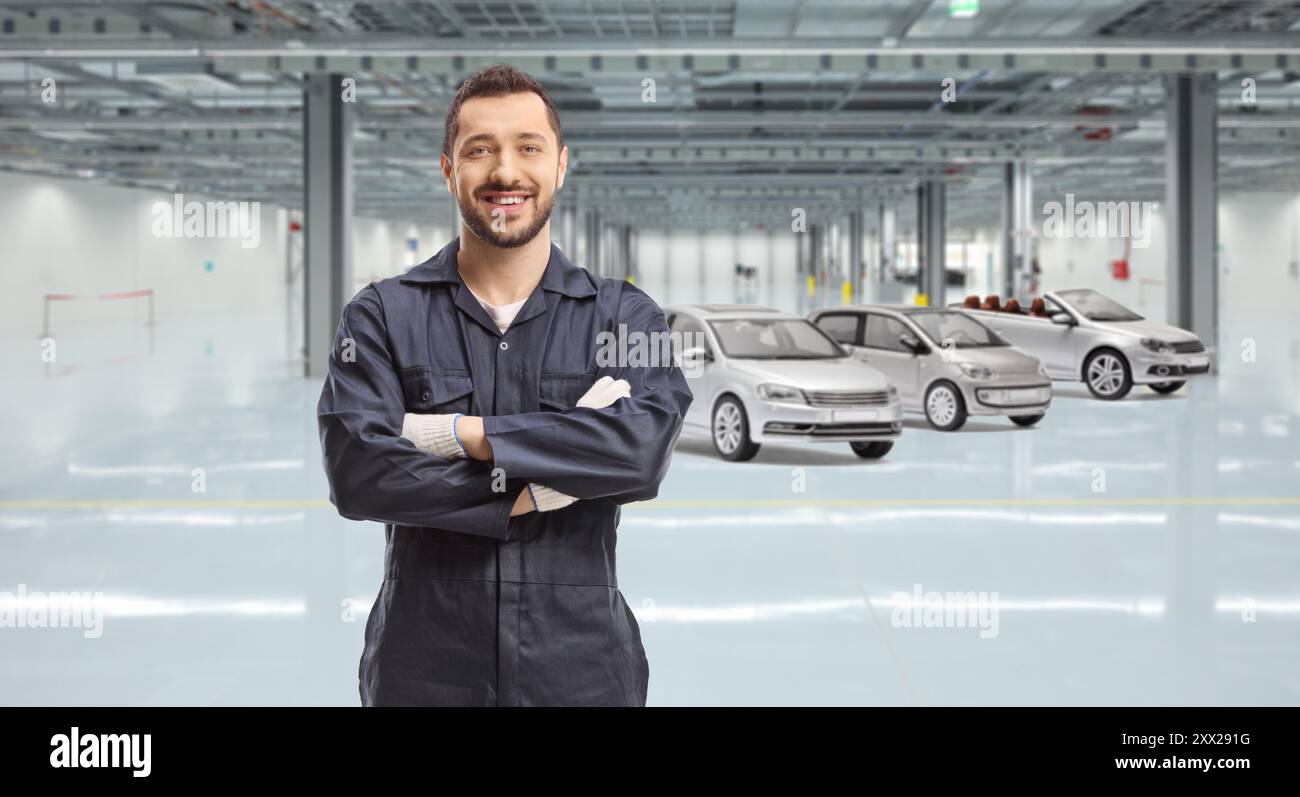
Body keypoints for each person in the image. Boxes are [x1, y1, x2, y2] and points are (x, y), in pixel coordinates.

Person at [317, 64, 692, 706]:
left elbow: (641, 452)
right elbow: (359, 473)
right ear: (449, 170)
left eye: (528, 147)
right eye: (479, 150)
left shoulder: (625, 315)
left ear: (561, 165)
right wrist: (531, 490)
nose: (505, 172)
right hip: (423, 673)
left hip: (580, 673)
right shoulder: (381, 315)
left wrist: (464, 435)